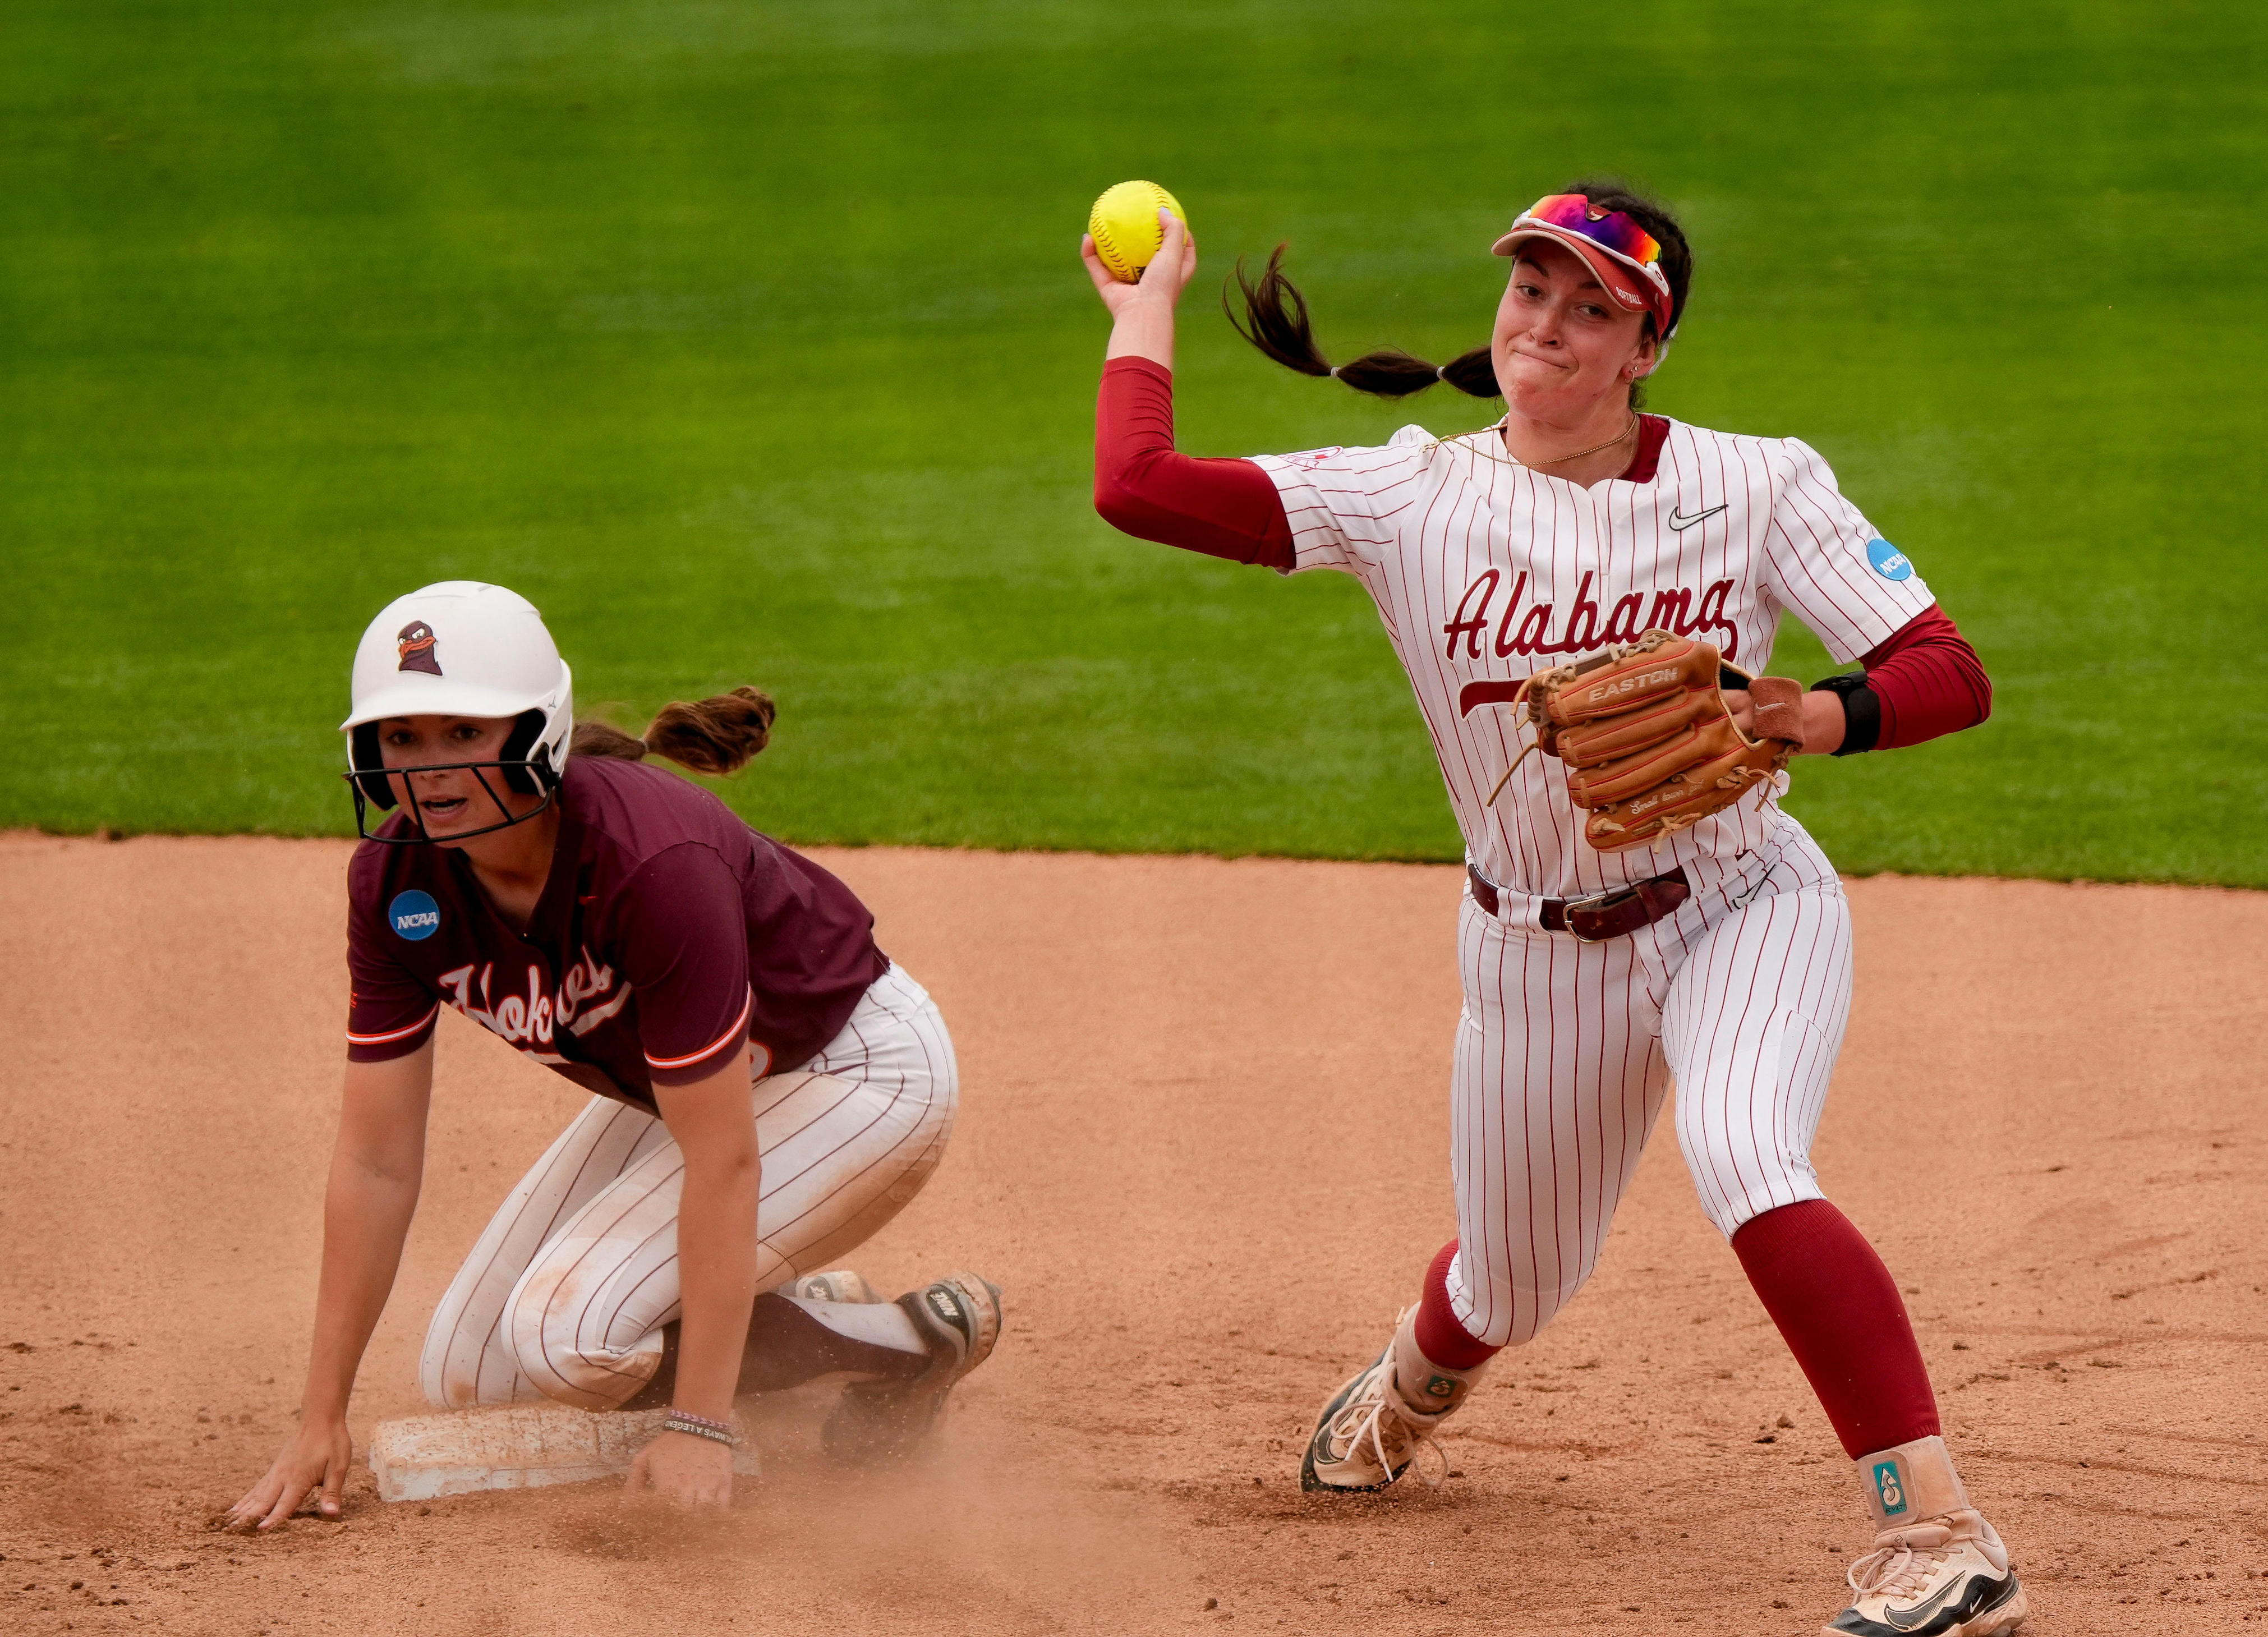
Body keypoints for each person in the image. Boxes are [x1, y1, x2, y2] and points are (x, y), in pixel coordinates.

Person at [1080, 185, 2023, 1637]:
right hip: (1532, 953)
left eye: (1594, 308)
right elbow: (1136, 486)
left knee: (1747, 1153)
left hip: (1739, 899)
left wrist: (1811, 715)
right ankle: (1413, 1382)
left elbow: (1947, 667)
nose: (1550, 324)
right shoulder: (1410, 496)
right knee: (1510, 1281)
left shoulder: (1755, 484)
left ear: (1647, 347)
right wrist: (1144, 306)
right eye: (1533, 291)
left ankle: (1941, 1535)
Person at [227, 581, 999, 1528]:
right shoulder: (396, 886)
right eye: (403, 737)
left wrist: (701, 1424)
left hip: (855, 1070)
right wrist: (321, 1413)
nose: (432, 769)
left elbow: (723, 1159)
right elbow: (376, 1159)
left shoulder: (652, 863)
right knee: (469, 1370)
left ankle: (905, 1343)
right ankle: (799, 1314)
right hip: (707, 1090)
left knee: (569, 1337)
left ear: (536, 732)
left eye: (464, 732)